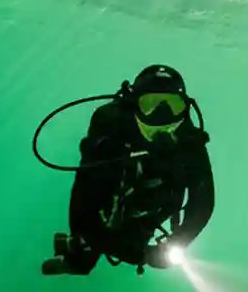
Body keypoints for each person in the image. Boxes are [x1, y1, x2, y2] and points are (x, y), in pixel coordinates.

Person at [41, 65, 215, 276]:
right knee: (86, 251)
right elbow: (83, 193)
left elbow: (203, 202)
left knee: (138, 235)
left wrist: (177, 242)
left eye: (172, 105)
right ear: (134, 105)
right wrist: (92, 240)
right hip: (111, 201)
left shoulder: (189, 141)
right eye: (150, 104)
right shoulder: (111, 128)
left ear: (185, 108)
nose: (162, 115)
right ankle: (78, 257)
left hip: (152, 209)